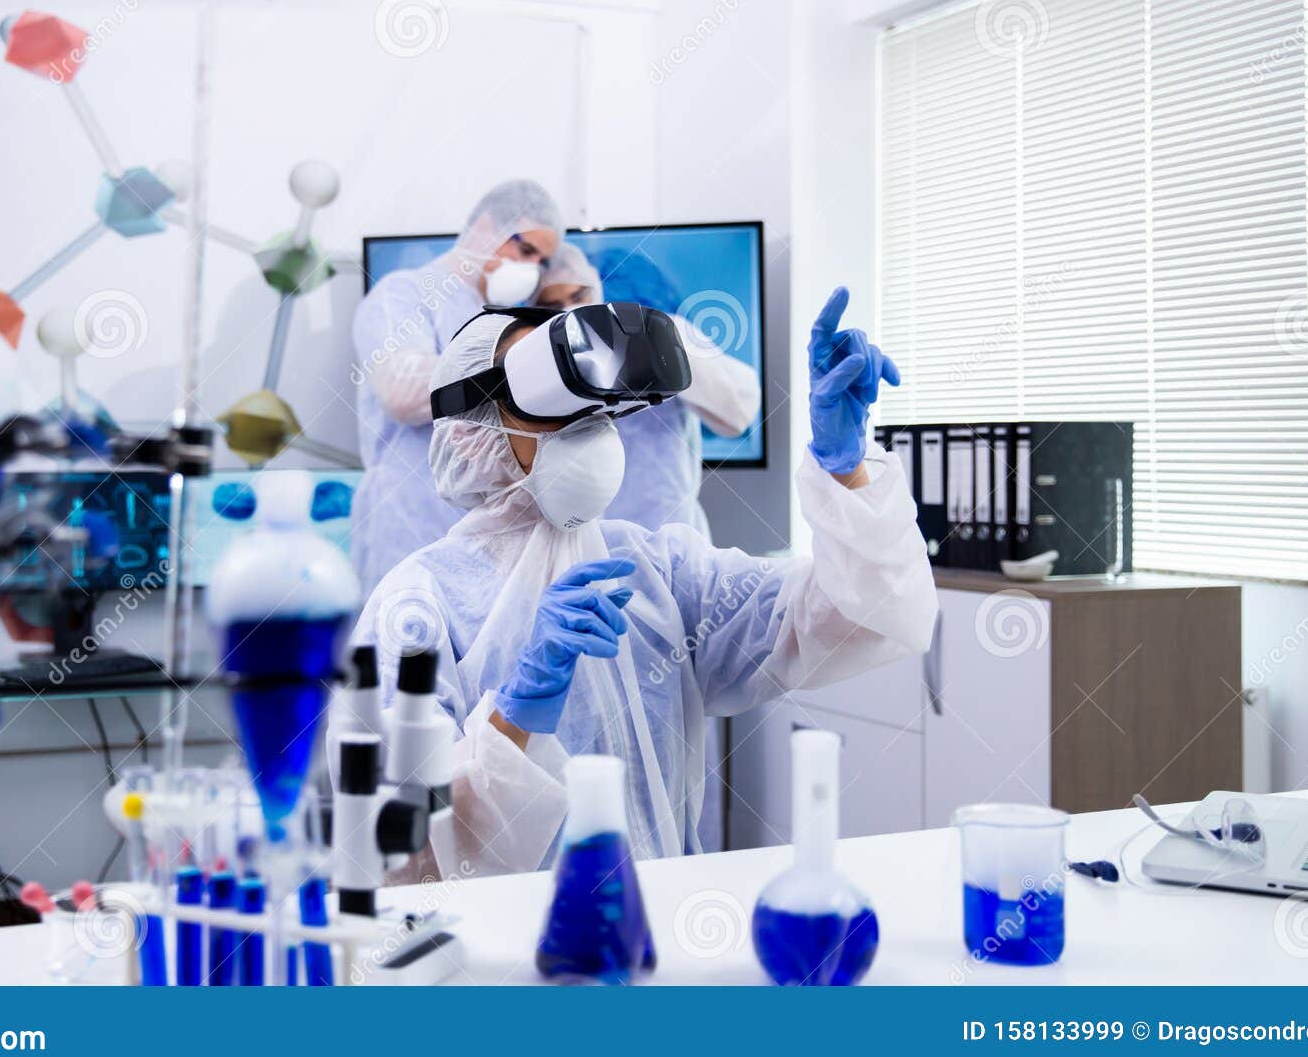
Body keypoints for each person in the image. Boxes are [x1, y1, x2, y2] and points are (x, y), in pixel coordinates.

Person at [353, 287, 936, 879]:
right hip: (501, 957)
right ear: (469, 434)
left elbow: (861, 618)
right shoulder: (414, 606)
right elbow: (398, 859)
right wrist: (517, 715)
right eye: (552, 409)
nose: (587, 431)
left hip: (659, 934)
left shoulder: (656, 569)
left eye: (595, 411)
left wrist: (846, 468)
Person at [350, 180, 563, 595]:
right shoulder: (401, 294)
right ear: (486, 228)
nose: (533, 269)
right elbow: (402, 391)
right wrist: (517, 363)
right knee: (410, 651)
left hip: (488, 545)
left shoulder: (500, 318)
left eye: (543, 261)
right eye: (525, 250)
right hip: (409, 530)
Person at [537, 244, 760, 536]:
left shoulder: (664, 333)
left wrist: (659, 344)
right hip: (584, 546)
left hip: (671, 539)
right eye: (554, 306)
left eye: (579, 296)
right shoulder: (540, 364)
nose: (571, 310)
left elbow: (737, 413)